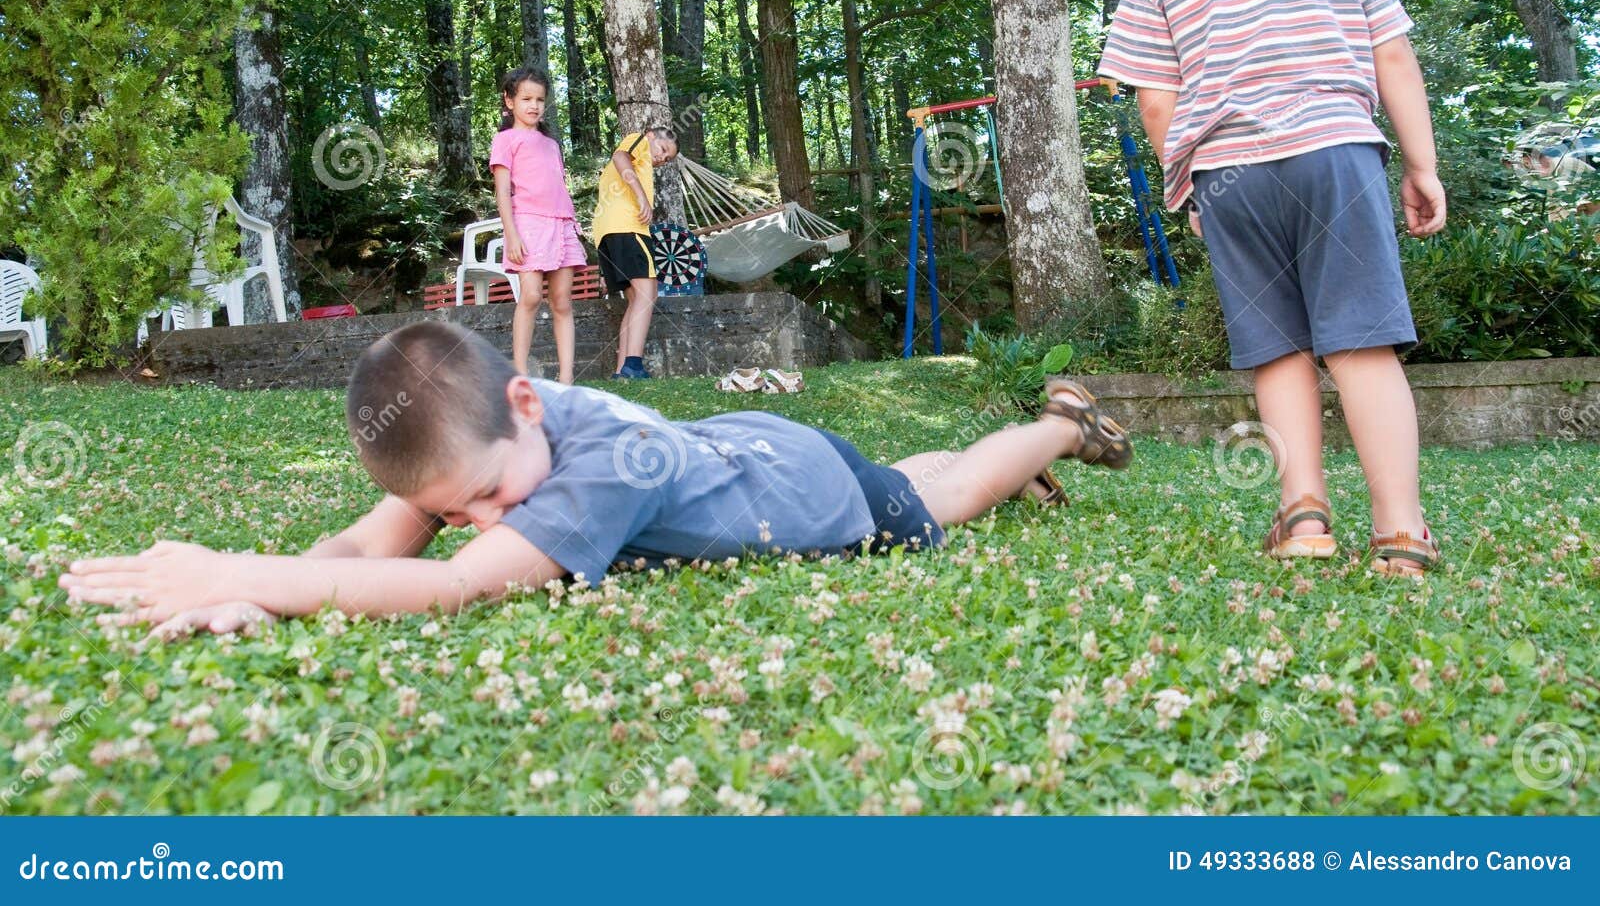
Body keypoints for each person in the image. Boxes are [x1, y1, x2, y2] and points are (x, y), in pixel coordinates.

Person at [58, 322, 1134, 636]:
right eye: (456, 512)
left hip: (814, 497)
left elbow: (451, 587)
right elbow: (364, 549)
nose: (482, 521)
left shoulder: (600, 467)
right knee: (896, 463)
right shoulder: (482, 439)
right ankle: (1026, 434)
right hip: (754, 446)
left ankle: (1057, 426)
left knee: (935, 496)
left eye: (485, 496)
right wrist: (250, 586)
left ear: (527, 400)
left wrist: (222, 568)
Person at [1097, 0, 1448, 576]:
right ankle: (1399, 533)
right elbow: (1392, 52)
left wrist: (1188, 184)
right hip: (1336, 151)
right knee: (1361, 342)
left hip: (1232, 172)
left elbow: (1156, 101)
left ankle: (1304, 518)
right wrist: (1422, 166)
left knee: (1276, 352)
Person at [490, 67, 584, 382]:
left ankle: (567, 380)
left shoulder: (551, 144)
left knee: (562, 300)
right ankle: (519, 375)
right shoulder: (505, 140)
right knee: (530, 296)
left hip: (562, 224)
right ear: (509, 101)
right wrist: (511, 234)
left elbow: (558, 185)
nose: (534, 105)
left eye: (540, 99)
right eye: (526, 98)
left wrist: (572, 220)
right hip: (528, 223)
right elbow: (502, 191)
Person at [592, 125, 678, 379]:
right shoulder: (639, 139)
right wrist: (641, 196)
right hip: (627, 227)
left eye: (667, 158)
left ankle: (622, 370)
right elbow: (619, 157)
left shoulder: (644, 160)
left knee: (635, 299)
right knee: (648, 292)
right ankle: (634, 365)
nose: (662, 158)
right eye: (663, 149)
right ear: (651, 135)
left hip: (607, 230)